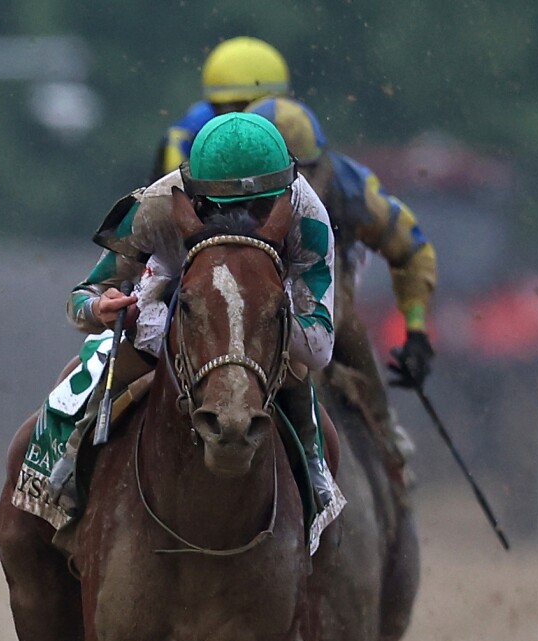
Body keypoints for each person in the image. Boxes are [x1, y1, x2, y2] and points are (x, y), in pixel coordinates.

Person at [71, 112, 340, 516]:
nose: (243, 217)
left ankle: (315, 477)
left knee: (301, 371)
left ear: (284, 194)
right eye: (220, 207)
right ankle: (64, 472)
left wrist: (266, 318)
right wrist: (99, 307)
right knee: (105, 368)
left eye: (260, 206)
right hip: (169, 297)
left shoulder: (309, 218)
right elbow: (81, 297)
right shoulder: (156, 206)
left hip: (269, 311)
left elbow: (320, 345)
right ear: (193, 194)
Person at [245, 94, 436, 469]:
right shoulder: (216, 183)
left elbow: (411, 249)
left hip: (327, 305)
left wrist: (416, 332)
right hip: (249, 306)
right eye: (275, 175)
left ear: (322, 164)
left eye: (302, 172)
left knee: (349, 331)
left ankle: (386, 444)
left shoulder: (352, 188)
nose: (291, 187)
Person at [154, 36, 291, 180]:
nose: (243, 120)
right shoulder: (185, 137)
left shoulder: (296, 129)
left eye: (257, 109)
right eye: (234, 108)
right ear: (214, 107)